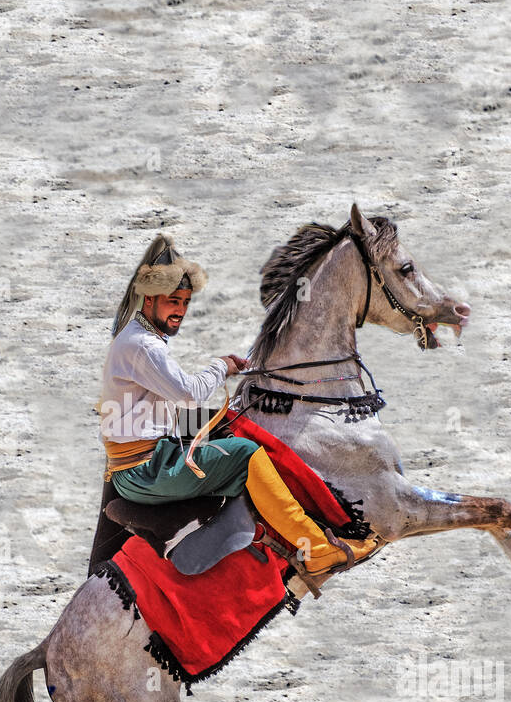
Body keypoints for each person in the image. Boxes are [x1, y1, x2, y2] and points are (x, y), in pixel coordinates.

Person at [93, 234, 380, 575]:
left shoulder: (139, 339)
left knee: (225, 427)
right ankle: (316, 550)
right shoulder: (143, 346)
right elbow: (188, 394)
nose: (180, 311)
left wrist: (213, 421)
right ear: (150, 299)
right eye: (173, 302)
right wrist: (222, 367)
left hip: (147, 457)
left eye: (185, 302)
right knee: (245, 453)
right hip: (147, 470)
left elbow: (152, 411)